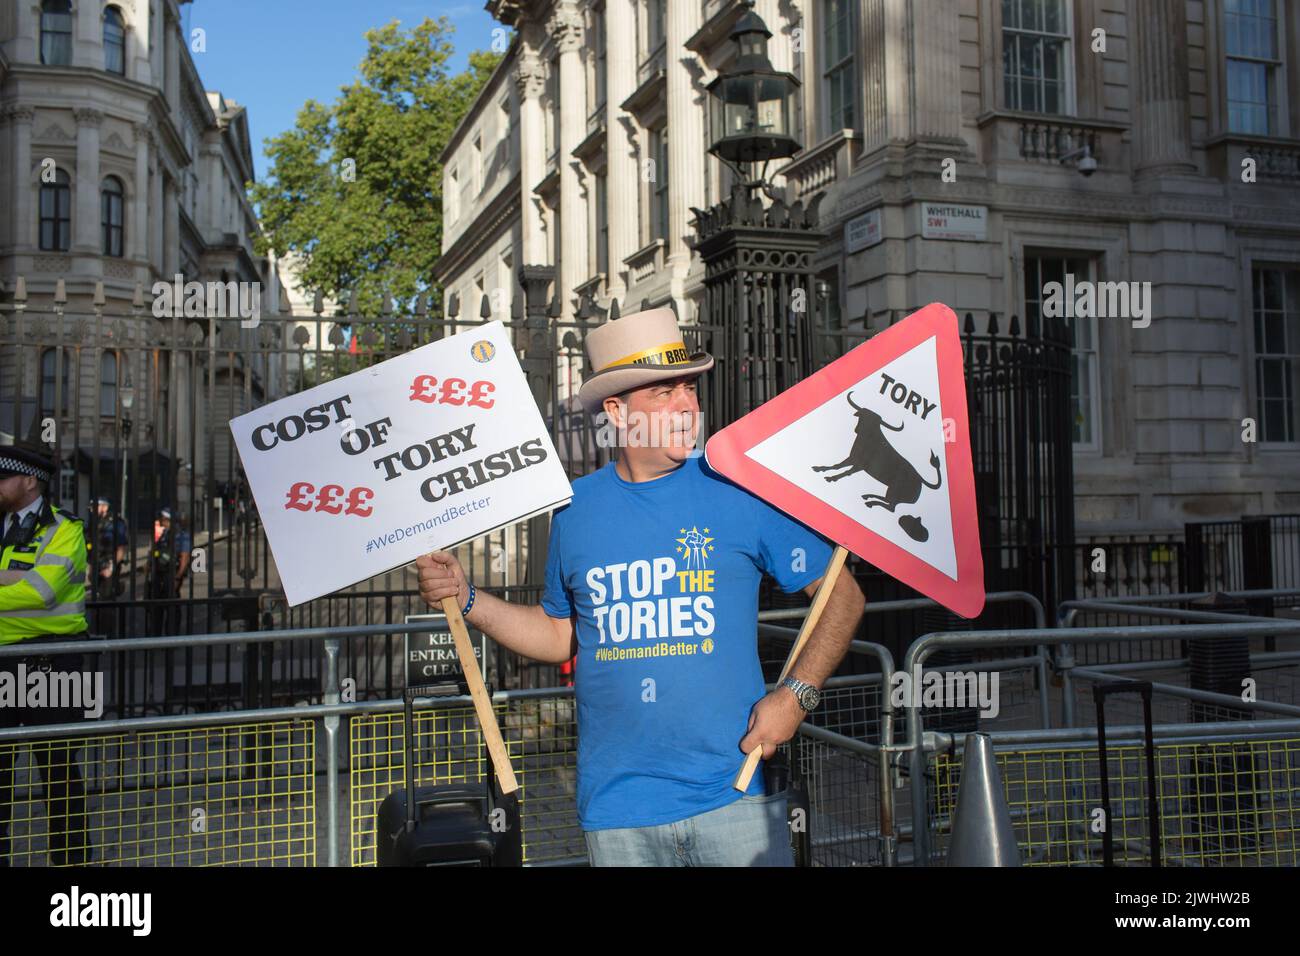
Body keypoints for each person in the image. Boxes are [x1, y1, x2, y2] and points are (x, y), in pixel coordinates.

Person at [417, 306, 865, 866]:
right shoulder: (575, 510)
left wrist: (796, 696)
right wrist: (467, 598)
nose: (688, 405)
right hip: (617, 815)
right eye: (664, 392)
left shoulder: (740, 491)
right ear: (617, 411)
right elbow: (559, 635)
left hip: (735, 801)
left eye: (690, 388)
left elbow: (843, 595)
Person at [0, 425, 90, 865]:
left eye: (4, 478)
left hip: (53, 665)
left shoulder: (65, 530)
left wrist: (18, 582)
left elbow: (42, 592)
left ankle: (71, 865)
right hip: (3, 664)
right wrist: (13, 579)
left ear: (29, 481)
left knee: (58, 772)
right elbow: (26, 586)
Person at [147, 508, 191, 635]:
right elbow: (153, 552)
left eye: (163, 519)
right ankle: (155, 635)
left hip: (171, 574)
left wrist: (178, 576)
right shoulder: (161, 533)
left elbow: (185, 557)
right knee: (156, 607)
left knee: (172, 606)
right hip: (158, 574)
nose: (161, 521)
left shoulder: (181, 535)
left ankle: (171, 636)